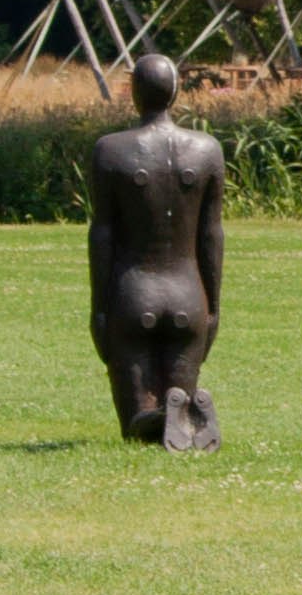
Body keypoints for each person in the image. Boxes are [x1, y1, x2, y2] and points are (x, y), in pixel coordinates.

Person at [84, 49, 226, 447]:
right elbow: (211, 236)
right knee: (176, 424)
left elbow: (103, 236)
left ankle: (164, 415)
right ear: (176, 93)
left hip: (134, 293)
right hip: (188, 295)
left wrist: (99, 308)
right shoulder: (207, 150)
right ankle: (183, 410)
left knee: (137, 428)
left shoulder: (109, 150)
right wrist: (212, 307)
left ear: (134, 93)